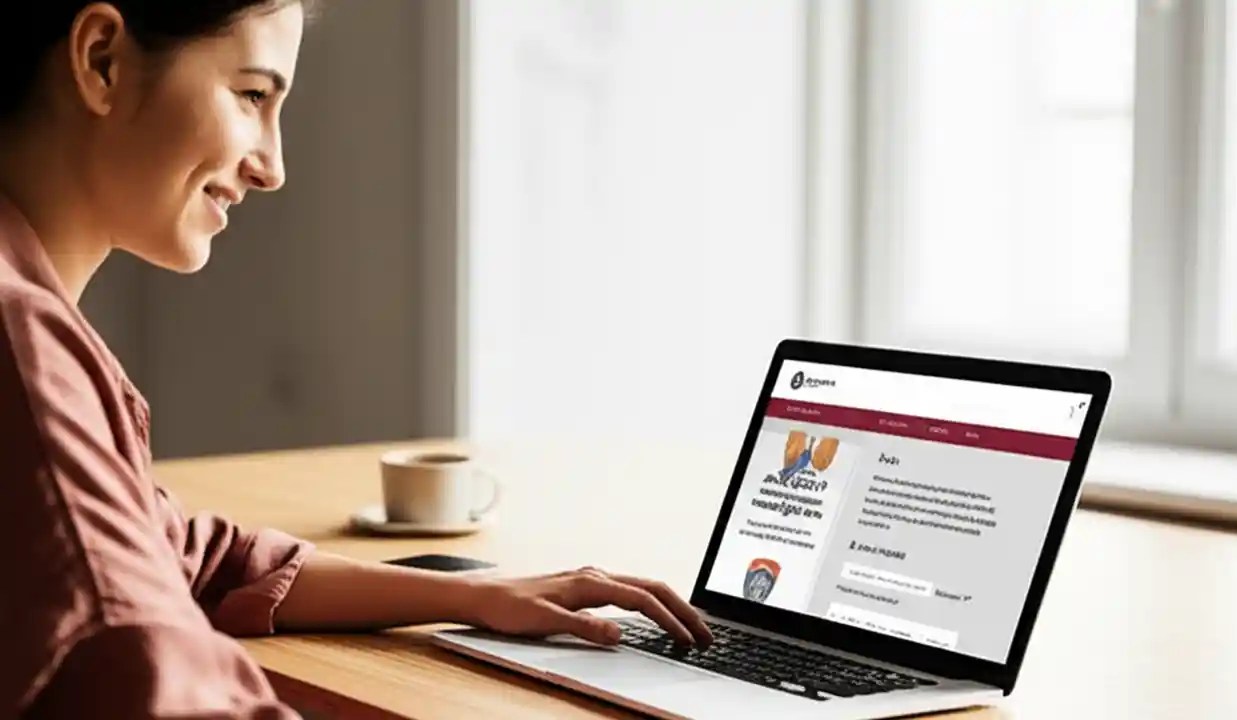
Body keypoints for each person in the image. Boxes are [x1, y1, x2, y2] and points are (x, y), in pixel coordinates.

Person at [0, 2, 712, 717]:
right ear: (101, 62)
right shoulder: (24, 344)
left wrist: (476, 596)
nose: (272, 167)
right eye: (251, 94)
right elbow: (136, 666)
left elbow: (178, 556)